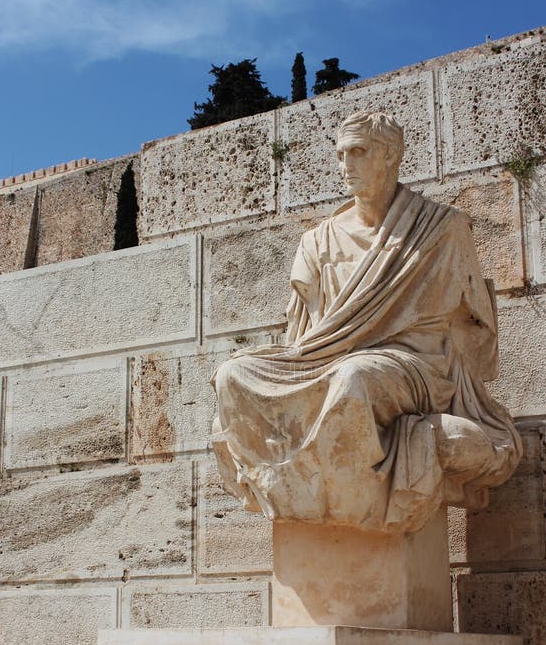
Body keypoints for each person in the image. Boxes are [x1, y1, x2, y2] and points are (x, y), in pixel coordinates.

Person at [211, 111, 521, 534]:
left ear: (391, 155)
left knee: (354, 377)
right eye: (340, 155)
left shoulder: (441, 229)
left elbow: (475, 328)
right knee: (234, 373)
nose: (345, 166)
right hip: (327, 359)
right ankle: (291, 484)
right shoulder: (318, 240)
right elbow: (305, 336)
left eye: (358, 152)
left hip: (417, 368)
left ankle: (350, 497)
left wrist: (466, 389)